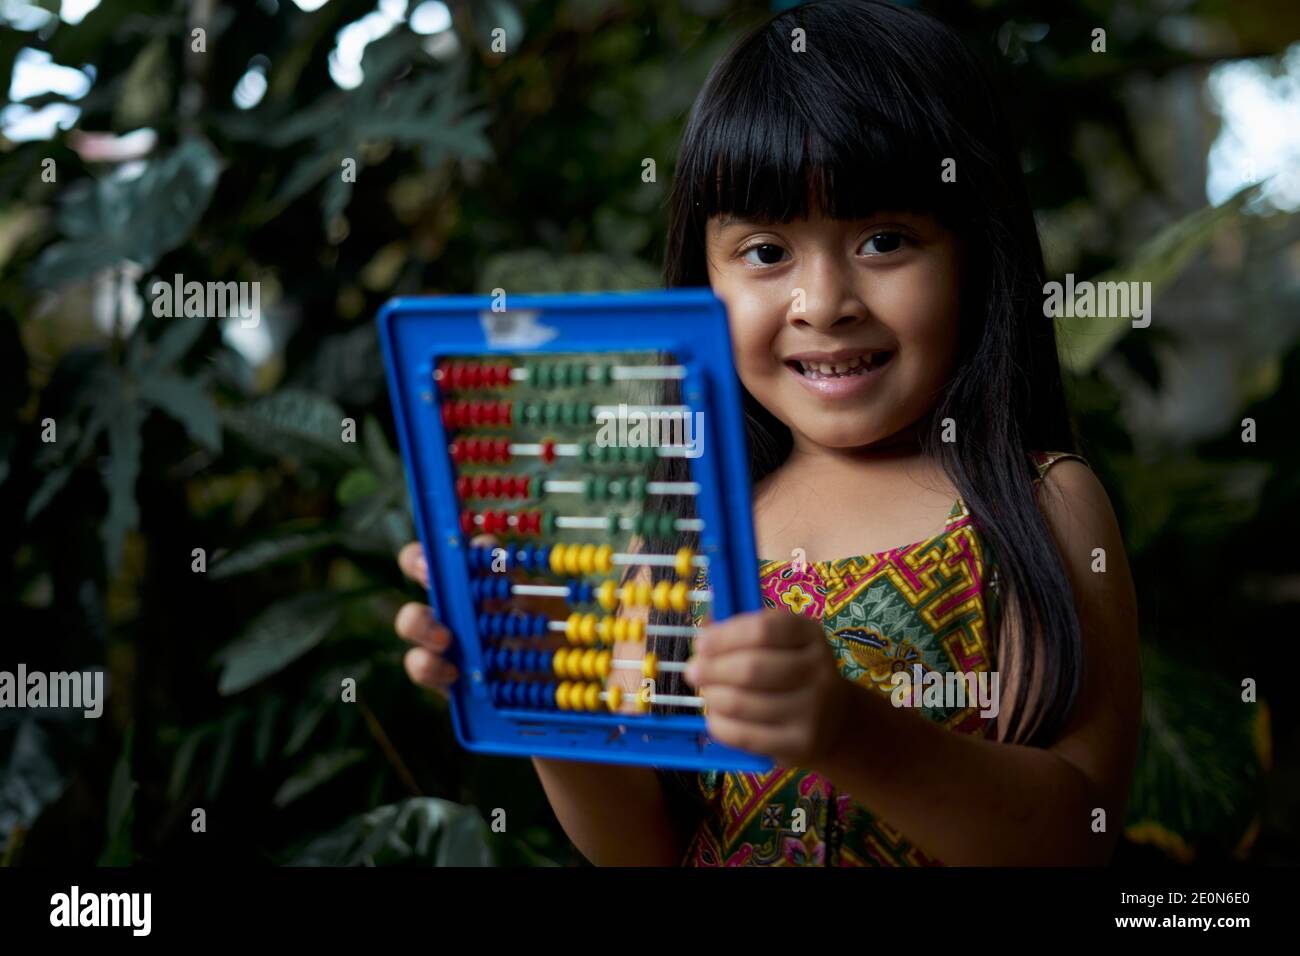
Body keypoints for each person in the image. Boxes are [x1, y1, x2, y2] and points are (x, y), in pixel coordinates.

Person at [393, 0, 1140, 866]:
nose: (823, 303)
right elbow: (644, 847)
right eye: (764, 252)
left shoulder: (1037, 506)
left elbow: (1074, 834)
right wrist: (543, 687)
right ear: (702, 274)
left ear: (977, 251)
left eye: (885, 240)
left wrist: (851, 735)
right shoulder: (682, 531)